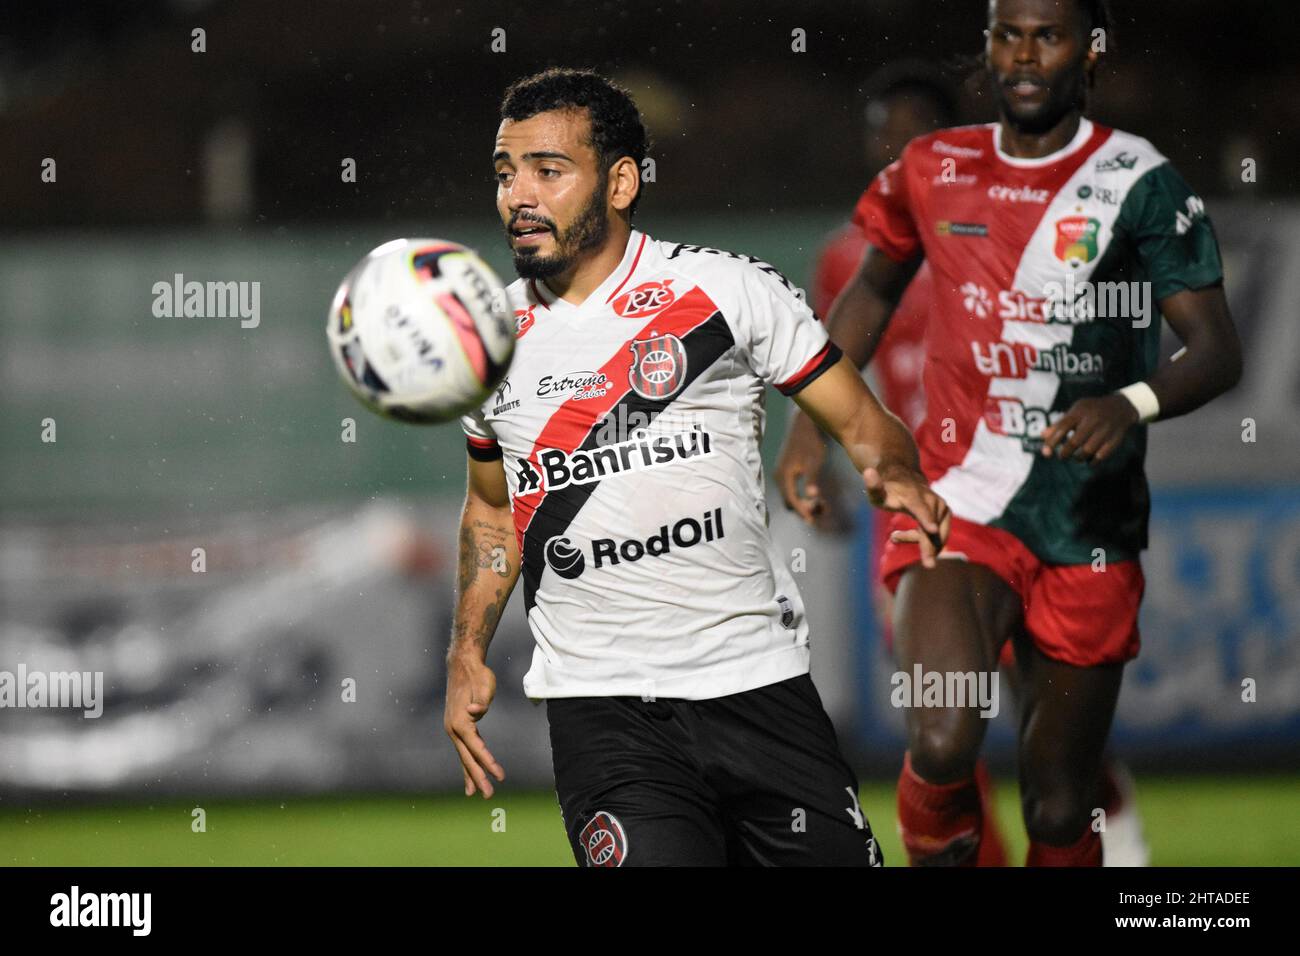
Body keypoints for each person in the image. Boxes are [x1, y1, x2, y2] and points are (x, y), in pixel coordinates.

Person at [441, 68, 950, 867]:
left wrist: (896, 473)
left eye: (548, 169)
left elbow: (862, 421)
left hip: (757, 686)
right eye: (505, 174)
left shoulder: (727, 291)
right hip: (603, 712)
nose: (517, 196)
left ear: (619, 181)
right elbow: (492, 510)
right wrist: (467, 649)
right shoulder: (487, 343)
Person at [777, 0, 1241, 866]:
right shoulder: (932, 167)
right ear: (989, 50)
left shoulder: (1140, 182)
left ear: (1089, 54)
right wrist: (811, 430)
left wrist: (1130, 403)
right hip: (958, 499)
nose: (1025, 55)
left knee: (1061, 809)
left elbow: (1215, 351)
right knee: (945, 737)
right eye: (1008, 35)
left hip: (1085, 525)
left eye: (1049, 35)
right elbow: (870, 291)